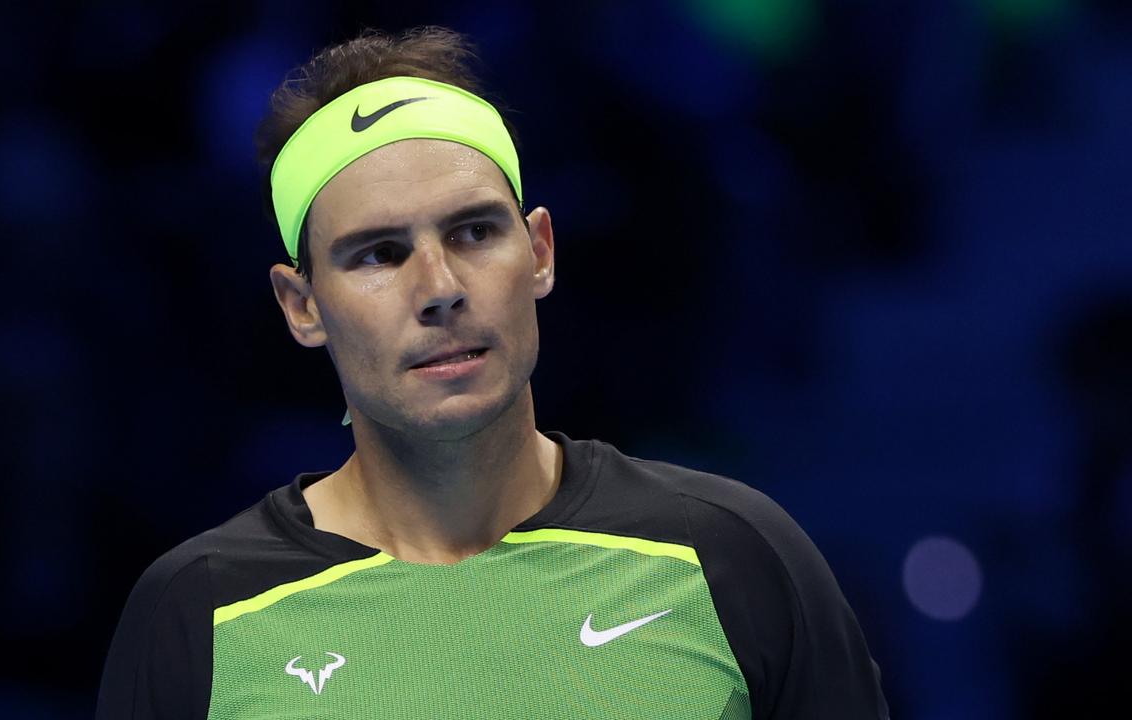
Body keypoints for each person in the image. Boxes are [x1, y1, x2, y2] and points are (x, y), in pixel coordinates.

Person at [96, 26, 890, 720]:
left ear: (539, 251)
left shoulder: (731, 554)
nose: (440, 289)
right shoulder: (199, 612)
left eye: (475, 232)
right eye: (378, 254)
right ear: (301, 305)